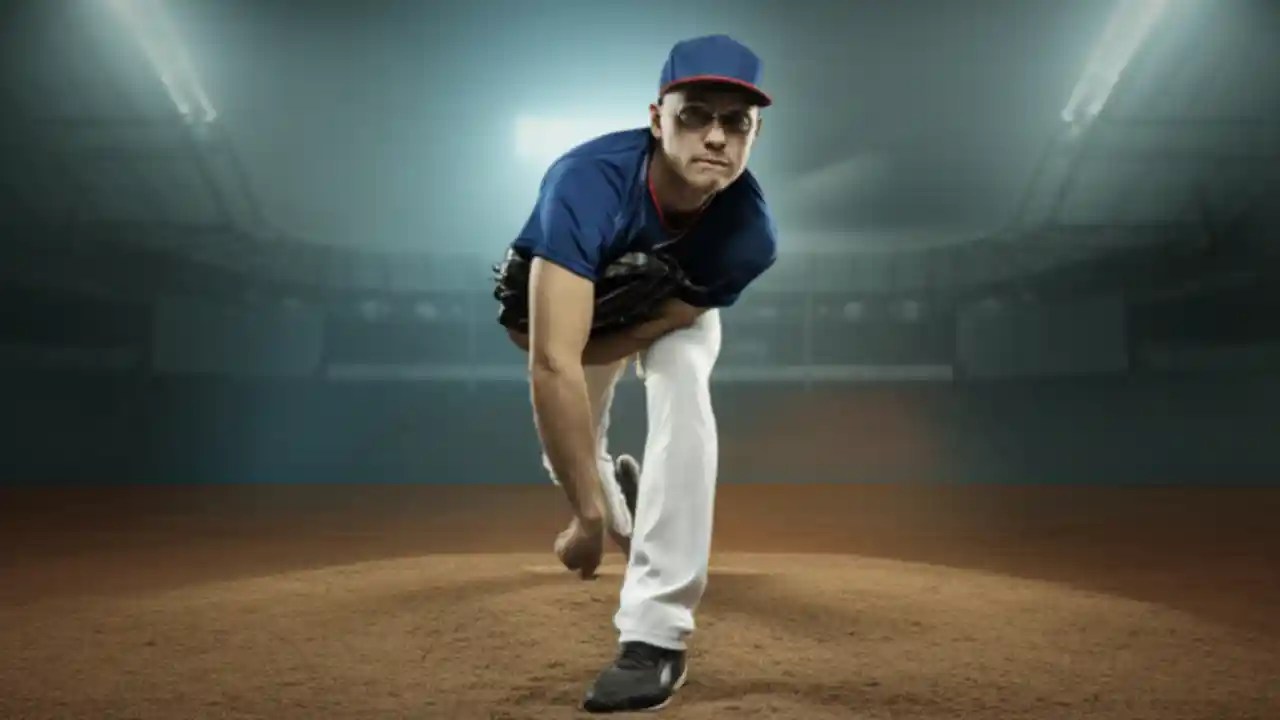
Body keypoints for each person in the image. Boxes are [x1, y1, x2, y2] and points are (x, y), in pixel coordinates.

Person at [496, 34, 778, 713]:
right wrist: (586, 515)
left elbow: (662, 325)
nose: (716, 136)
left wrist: (616, 335)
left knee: (683, 386)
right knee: (569, 455)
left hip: (667, 318)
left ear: (754, 134)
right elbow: (551, 359)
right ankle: (618, 504)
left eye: (736, 122)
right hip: (574, 321)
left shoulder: (749, 233)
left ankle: (656, 635)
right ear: (657, 119)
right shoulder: (586, 182)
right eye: (695, 114)